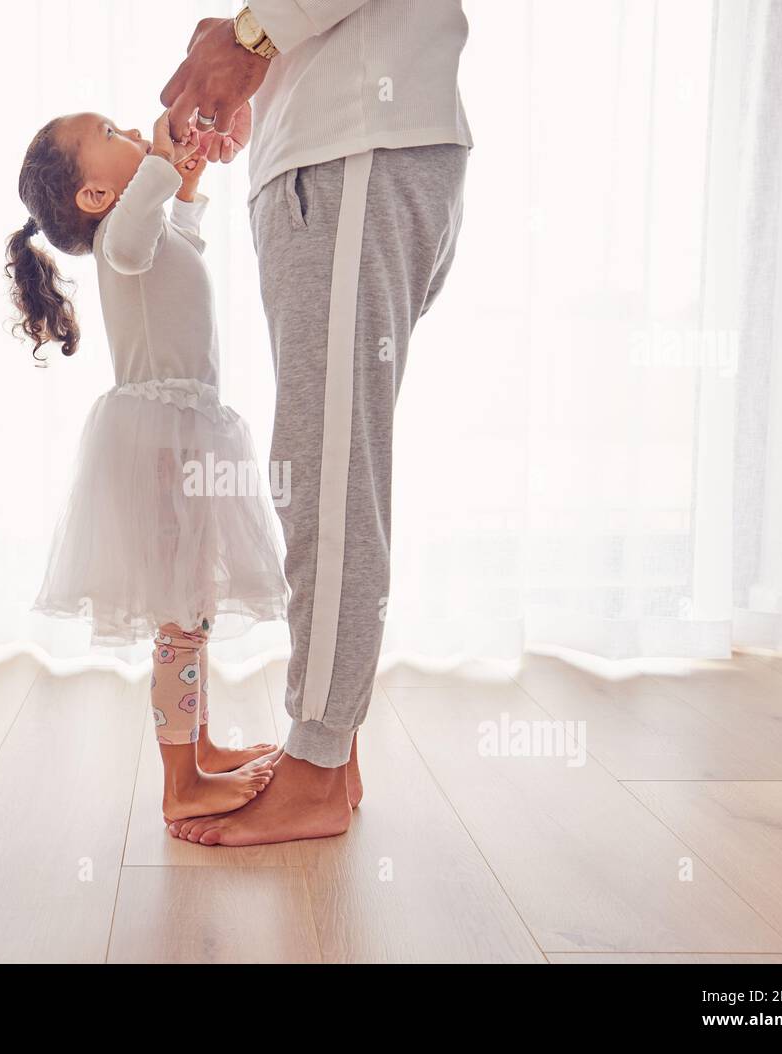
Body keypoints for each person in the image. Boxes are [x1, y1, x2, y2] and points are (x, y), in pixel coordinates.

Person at [160, 2, 474, 845]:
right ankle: (331, 755)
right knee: (330, 461)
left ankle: (317, 772)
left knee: (327, 473)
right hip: (334, 150)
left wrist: (249, 38)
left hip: (352, 147)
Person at [7, 110, 290, 822]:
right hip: (163, 445)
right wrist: (163, 161)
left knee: (192, 609)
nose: (130, 127)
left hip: (188, 434)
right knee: (178, 618)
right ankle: (179, 784)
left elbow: (179, 240)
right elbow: (141, 236)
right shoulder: (117, 242)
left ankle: (199, 748)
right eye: (109, 134)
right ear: (96, 199)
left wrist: (184, 177)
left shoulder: (143, 233)